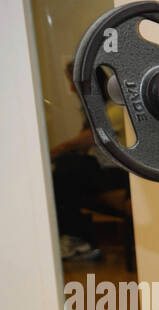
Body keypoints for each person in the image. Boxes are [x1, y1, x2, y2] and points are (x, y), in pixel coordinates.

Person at [50, 60, 129, 260]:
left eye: (73, 83)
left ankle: (77, 240)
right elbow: (81, 146)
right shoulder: (99, 110)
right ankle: (76, 238)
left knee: (66, 167)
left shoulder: (114, 109)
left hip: (119, 174)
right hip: (105, 172)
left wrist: (50, 152)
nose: (71, 89)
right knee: (66, 169)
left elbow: (84, 140)